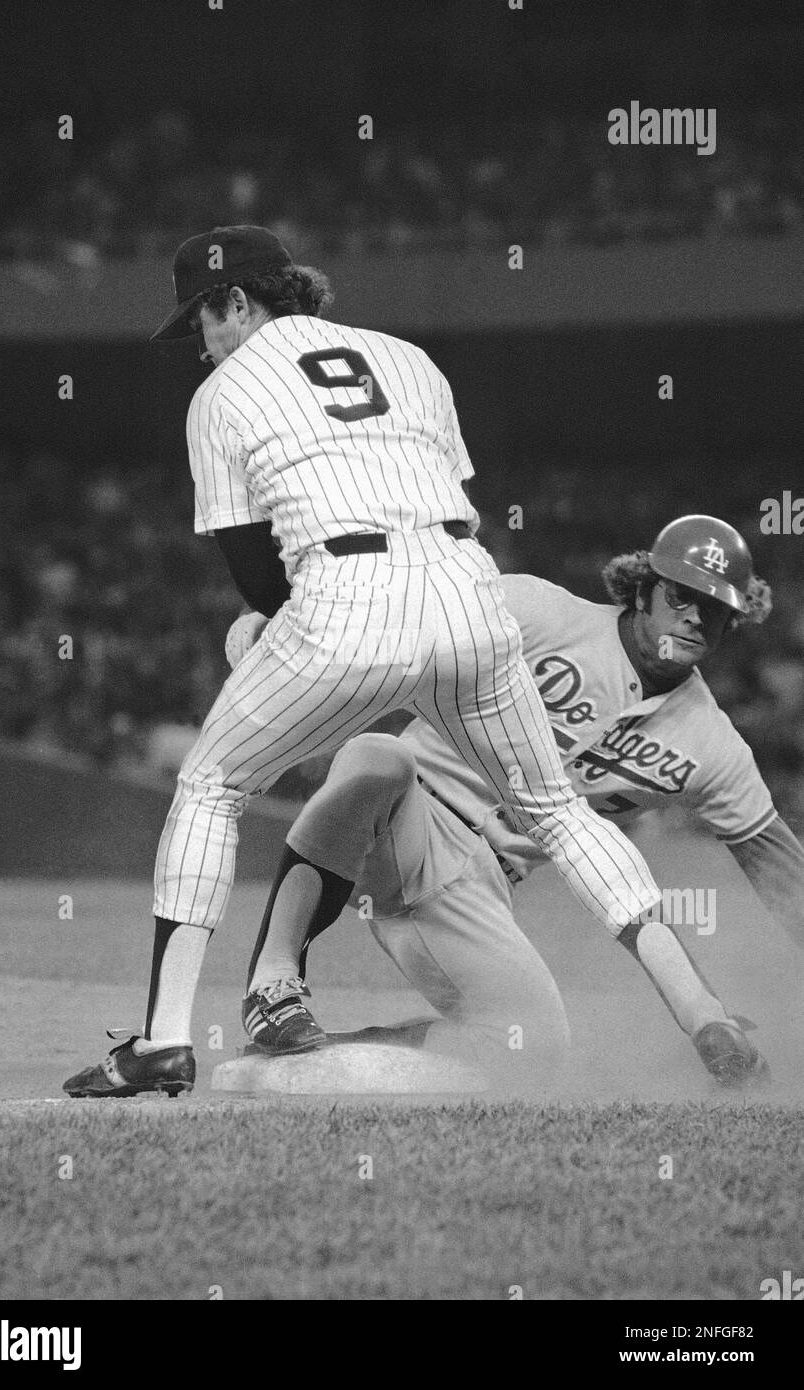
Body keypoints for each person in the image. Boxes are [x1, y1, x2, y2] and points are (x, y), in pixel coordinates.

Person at [65, 226, 682, 1099]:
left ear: (237, 302)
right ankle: (698, 1008)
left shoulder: (223, 393)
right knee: (556, 809)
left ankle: (165, 1039)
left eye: (199, 320)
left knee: (210, 789)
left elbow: (257, 575)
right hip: (469, 590)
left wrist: (277, 642)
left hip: (345, 595)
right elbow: (443, 506)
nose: (197, 345)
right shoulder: (410, 359)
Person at [241, 516, 796, 1086]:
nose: (695, 617)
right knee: (377, 756)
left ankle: (326, 1056)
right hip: (405, 815)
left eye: (716, 608)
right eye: (682, 595)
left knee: (531, 1048)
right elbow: (401, 606)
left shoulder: (715, 747)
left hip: (479, 891)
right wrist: (283, 613)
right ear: (644, 587)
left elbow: (783, 873)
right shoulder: (535, 610)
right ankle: (273, 979)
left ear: (734, 622)